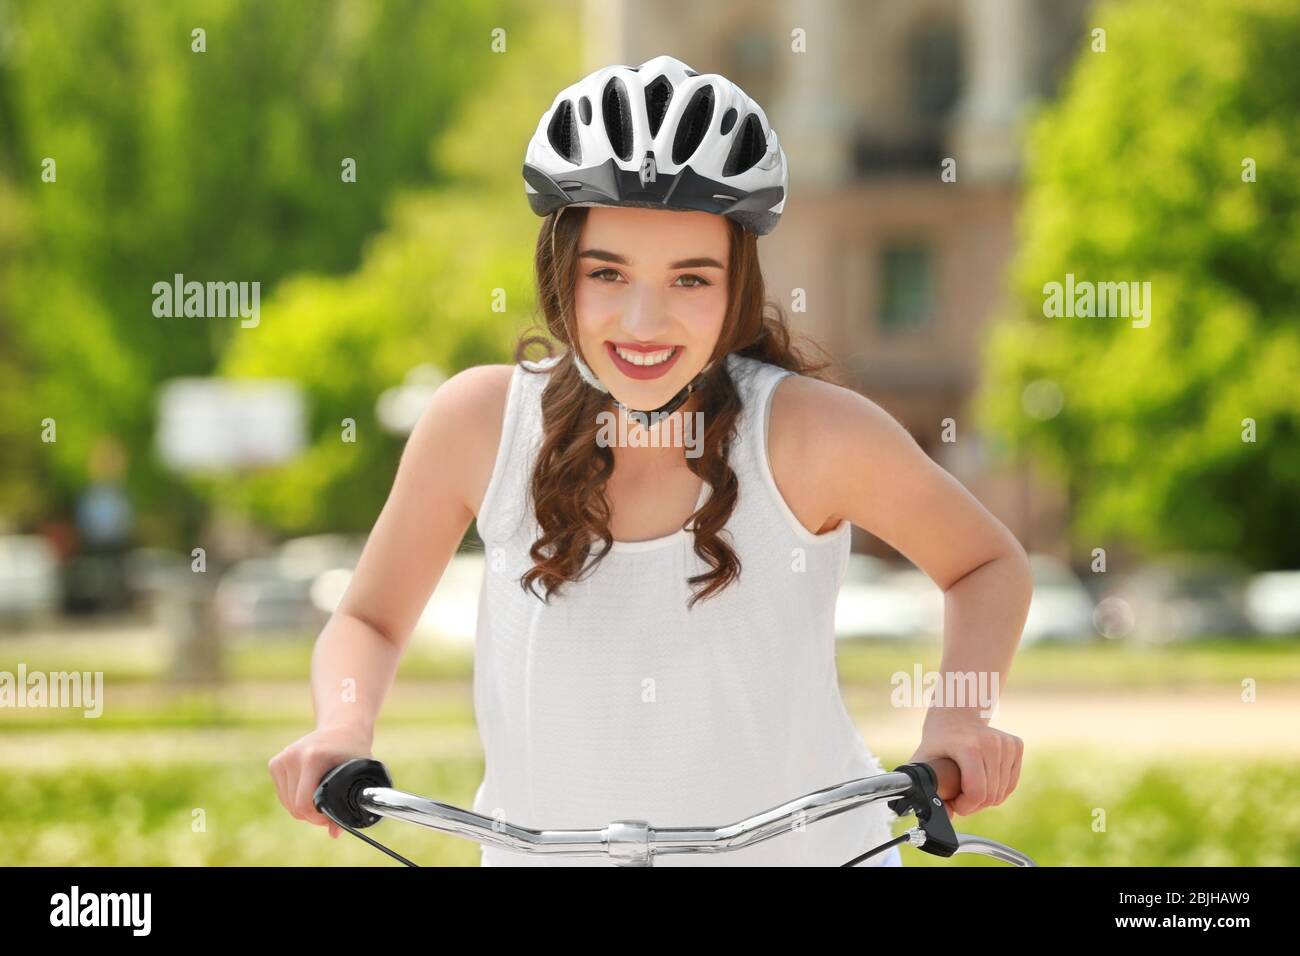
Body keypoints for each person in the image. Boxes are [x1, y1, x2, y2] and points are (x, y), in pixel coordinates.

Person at [270, 54, 1031, 866]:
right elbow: (370, 618)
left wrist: (959, 717)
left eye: (691, 280)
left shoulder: (812, 434)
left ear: (737, 286)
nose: (645, 321)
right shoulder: (478, 424)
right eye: (608, 273)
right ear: (561, 273)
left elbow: (986, 565)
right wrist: (342, 726)